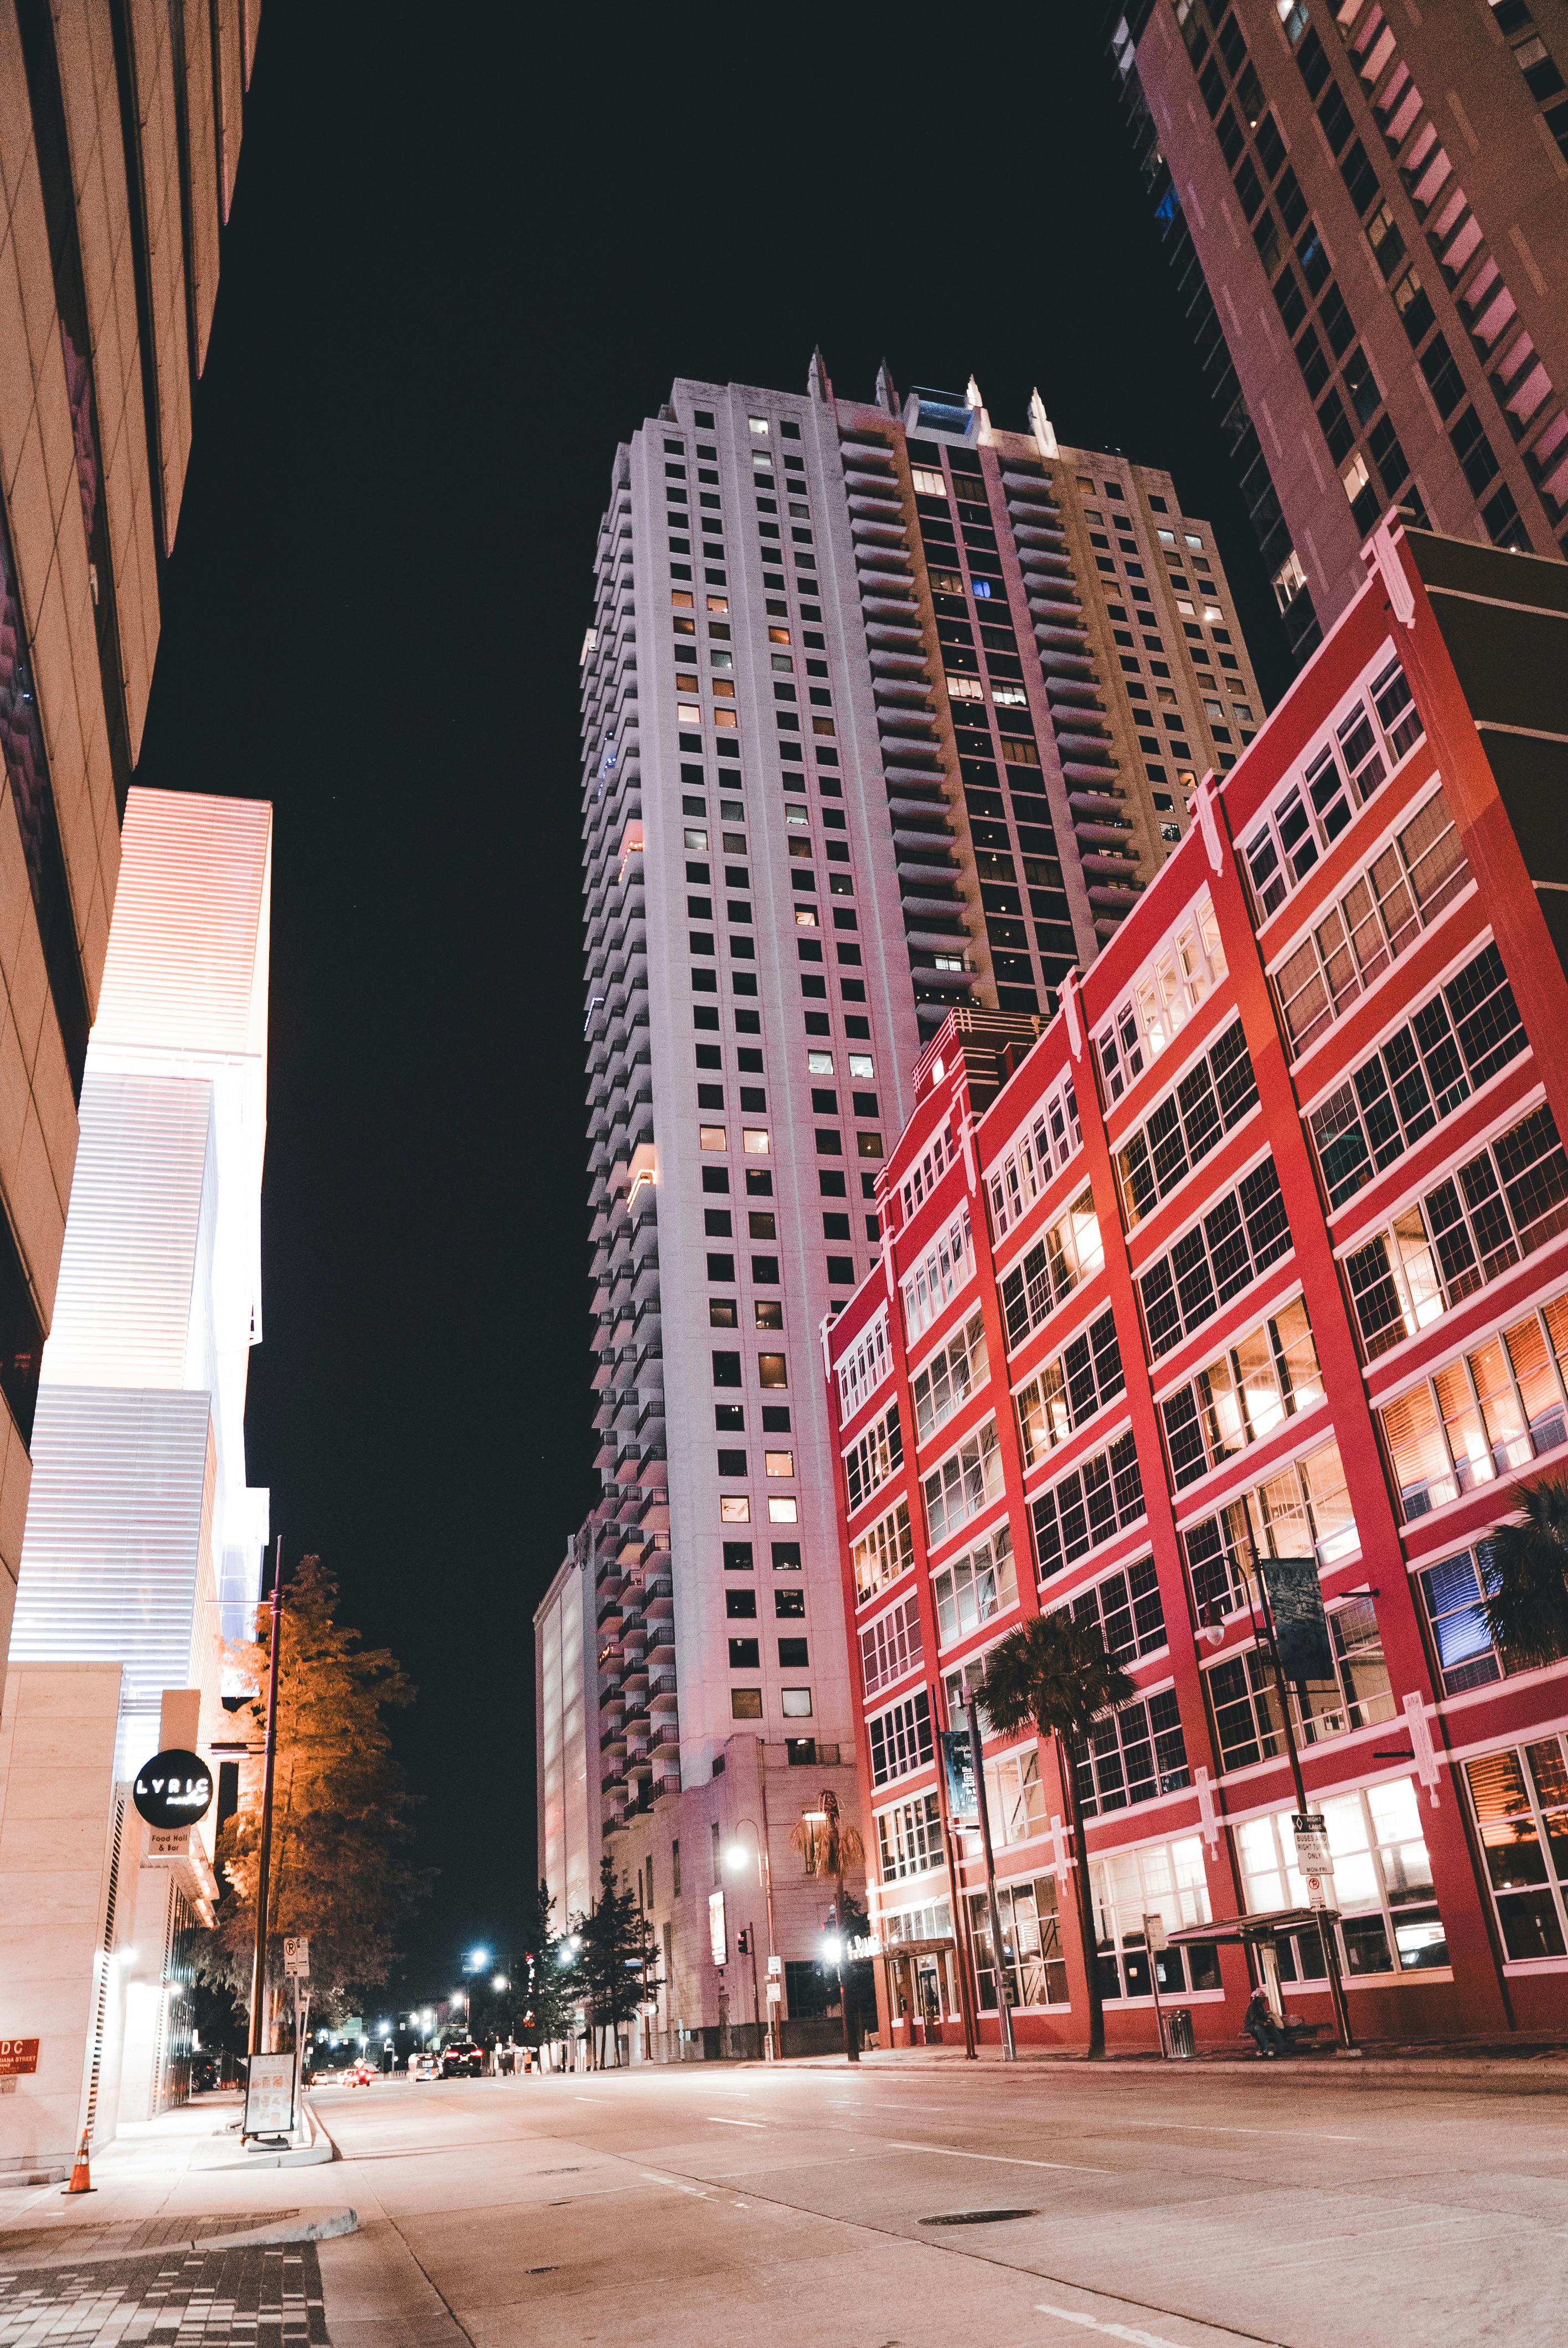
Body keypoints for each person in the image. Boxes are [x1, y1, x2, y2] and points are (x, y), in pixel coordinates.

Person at [1245, 1984, 1286, 2057]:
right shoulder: (1252, 2006)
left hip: (1260, 2023)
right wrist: (1263, 2023)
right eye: (1263, 1998)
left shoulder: (1260, 2006)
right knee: (1260, 2029)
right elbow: (1254, 2019)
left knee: (1273, 2028)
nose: (1264, 2000)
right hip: (1251, 2025)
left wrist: (1267, 2020)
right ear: (1258, 1998)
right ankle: (1267, 2049)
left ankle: (1282, 2048)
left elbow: (1263, 2016)